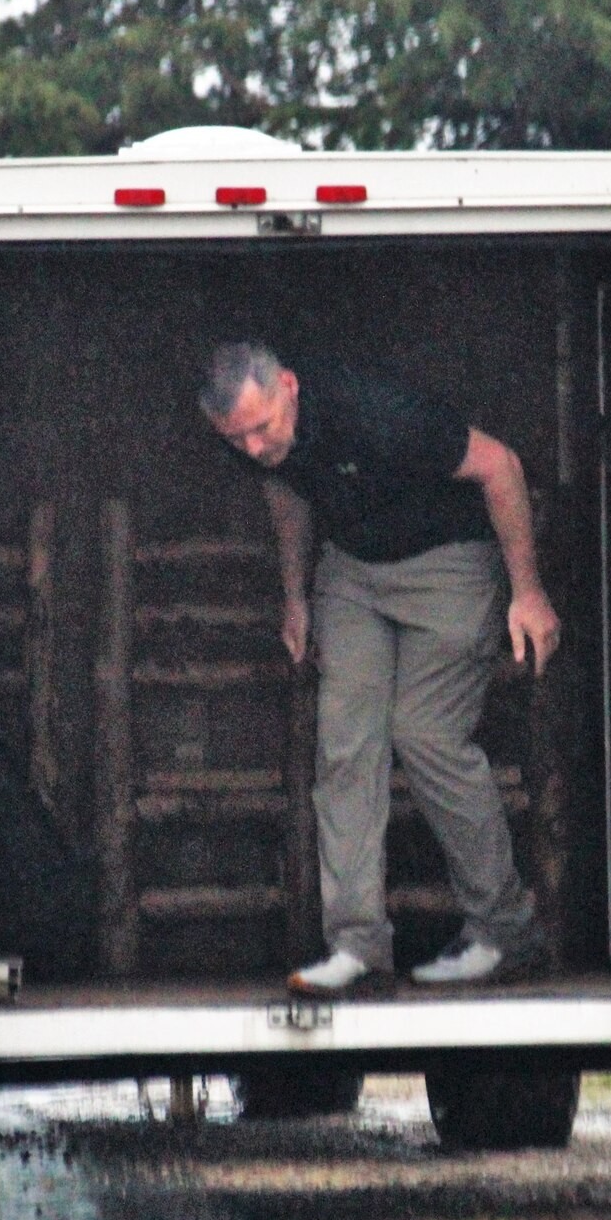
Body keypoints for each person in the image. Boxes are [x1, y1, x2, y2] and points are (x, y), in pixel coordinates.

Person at [199, 342, 559, 997]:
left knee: (426, 735)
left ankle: (505, 932)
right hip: (353, 570)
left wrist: (528, 592)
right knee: (346, 742)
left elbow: (499, 465)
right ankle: (358, 944)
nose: (252, 446)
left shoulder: (377, 410)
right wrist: (295, 594)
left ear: (289, 385)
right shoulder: (254, 441)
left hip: (447, 561)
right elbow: (284, 488)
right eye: (237, 437)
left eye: (262, 427)